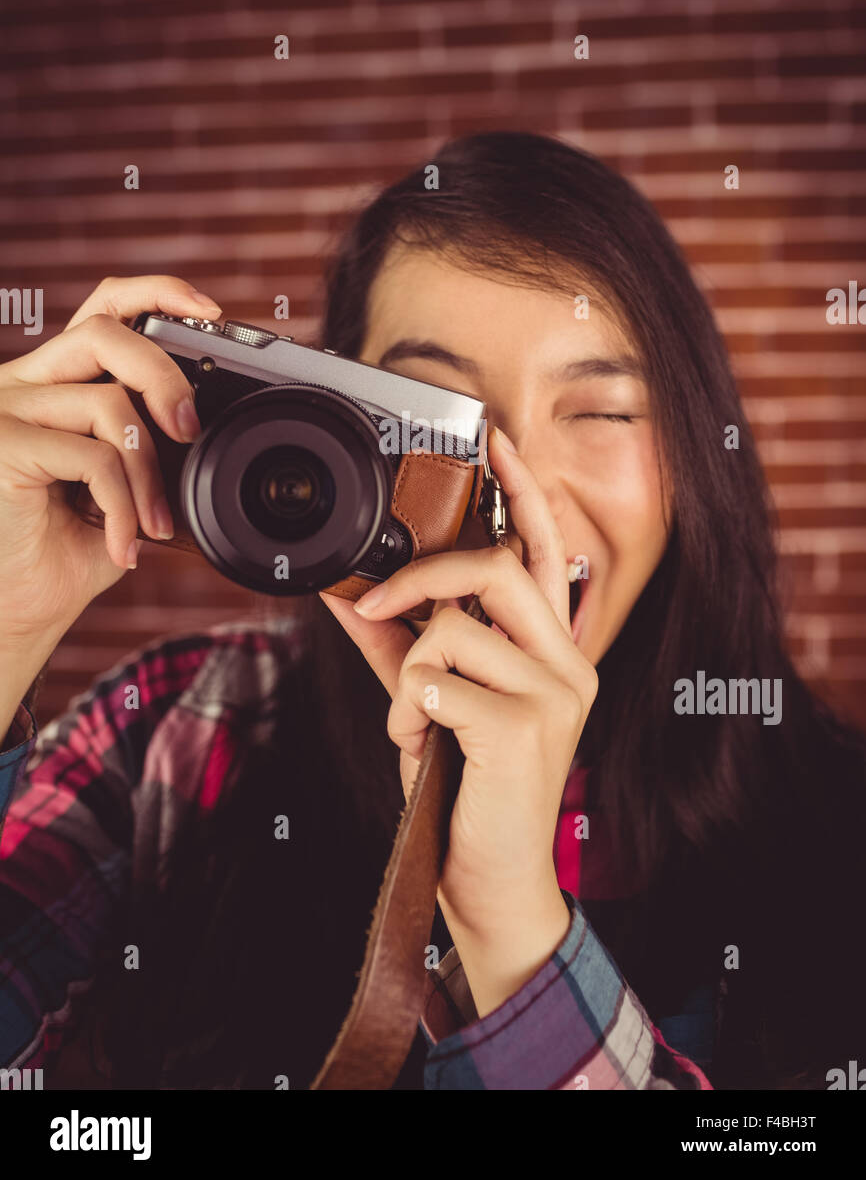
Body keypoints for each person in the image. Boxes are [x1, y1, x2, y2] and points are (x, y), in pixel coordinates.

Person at [1, 131, 864, 1091]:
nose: (521, 488)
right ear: (317, 431)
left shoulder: (839, 837)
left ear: (693, 461)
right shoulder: (177, 730)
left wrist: (513, 929)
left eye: (602, 409)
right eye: (430, 412)